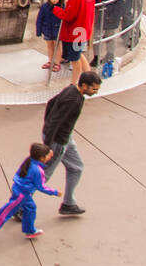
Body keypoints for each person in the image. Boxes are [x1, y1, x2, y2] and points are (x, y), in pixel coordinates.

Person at [40, 70, 102, 216]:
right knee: (43, 176)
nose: (96, 92)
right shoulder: (74, 100)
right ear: (84, 85)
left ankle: (68, 203)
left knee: (76, 167)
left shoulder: (71, 89)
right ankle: (20, 207)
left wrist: (47, 125)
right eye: (94, 89)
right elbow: (56, 122)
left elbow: (50, 103)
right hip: (56, 141)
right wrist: (48, 147)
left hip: (65, 138)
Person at [0, 143, 59, 240]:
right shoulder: (38, 170)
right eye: (48, 155)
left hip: (20, 190)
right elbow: (41, 187)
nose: (50, 157)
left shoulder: (29, 160)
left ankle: (30, 230)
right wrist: (55, 192)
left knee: (30, 208)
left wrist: (49, 152)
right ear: (41, 158)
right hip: (22, 194)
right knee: (8, 210)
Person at [53, 0, 96, 86]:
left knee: (75, 59)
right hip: (83, 30)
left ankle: (74, 83)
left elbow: (69, 16)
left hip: (75, 32)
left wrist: (56, 10)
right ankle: (90, 77)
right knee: (79, 54)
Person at [36, 0, 64, 72]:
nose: (55, 0)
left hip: (57, 30)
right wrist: (39, 31)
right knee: (49, 46)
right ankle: (51, 61)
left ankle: (57, 63)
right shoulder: (44, 7)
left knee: (58, 47)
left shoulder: (62, 6)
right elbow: (39, 19)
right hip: (47, 30)